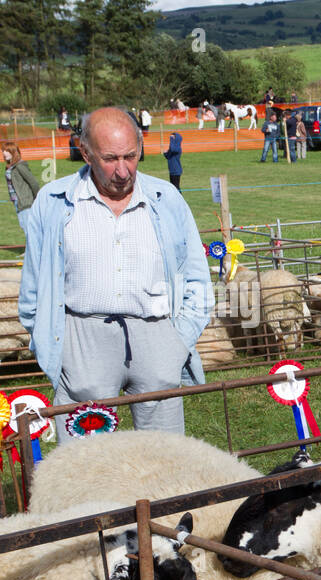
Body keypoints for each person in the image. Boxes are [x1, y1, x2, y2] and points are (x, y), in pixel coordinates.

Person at [17, 107, 212, 437]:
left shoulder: (167, 199)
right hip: (82, 338)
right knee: (86, 463)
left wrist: (178, 341)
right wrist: (55, 348)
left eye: (130, 157)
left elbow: (197, 277)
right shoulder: (53, 202)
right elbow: (33, 289)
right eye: (110, 159)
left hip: (157, 334)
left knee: (163, 461)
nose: (123, 171)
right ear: (85, 152)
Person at [3, 142, 40, 234]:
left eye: (7, 151)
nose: (4, 153)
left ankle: (33, 249)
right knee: (26, 228)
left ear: (13, 152)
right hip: (17, 202)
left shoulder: (19, 166)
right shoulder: (10, 167)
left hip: (25, 202)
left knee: (30, 231)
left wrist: (37, 199)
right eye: (3, 151)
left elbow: (33, 183)